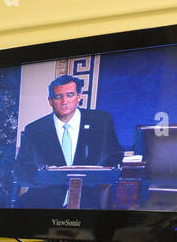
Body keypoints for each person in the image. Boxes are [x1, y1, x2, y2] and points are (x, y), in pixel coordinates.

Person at [13, 75, 124, 208]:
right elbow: (21, 170)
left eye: (70, 95)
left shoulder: (101, 121)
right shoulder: (34, 129)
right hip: (44, 202)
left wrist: (94, 176)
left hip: (87, 200)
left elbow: (114, 156)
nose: (64, 101)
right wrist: (45, 177)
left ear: (79, 97)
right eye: (58, 97)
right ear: (50, 101)